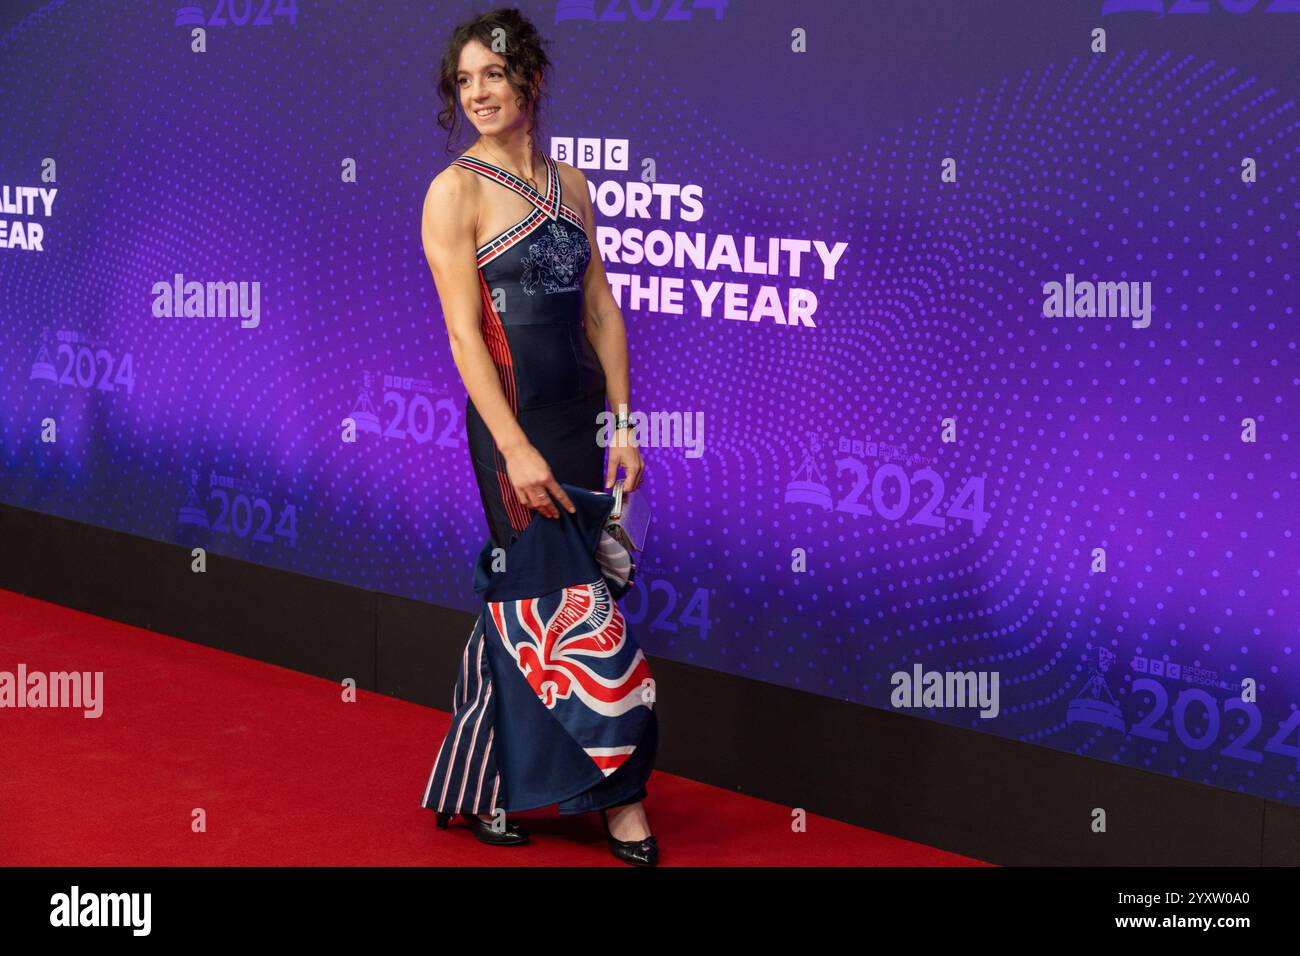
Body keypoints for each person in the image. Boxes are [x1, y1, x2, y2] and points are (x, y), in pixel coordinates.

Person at [417, 7, 658, 866]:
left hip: (578, 418)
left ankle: (488, 781)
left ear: (533, 80)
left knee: (535, 594)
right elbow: (463, 337)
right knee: (566, 604)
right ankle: (620, 797)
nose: (479, 91)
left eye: (495, 74)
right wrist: (513, 445)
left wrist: (625, 420)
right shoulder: (455, 192)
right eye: (466, 78)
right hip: (509, 424)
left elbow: (599, 308)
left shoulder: (572, 183)